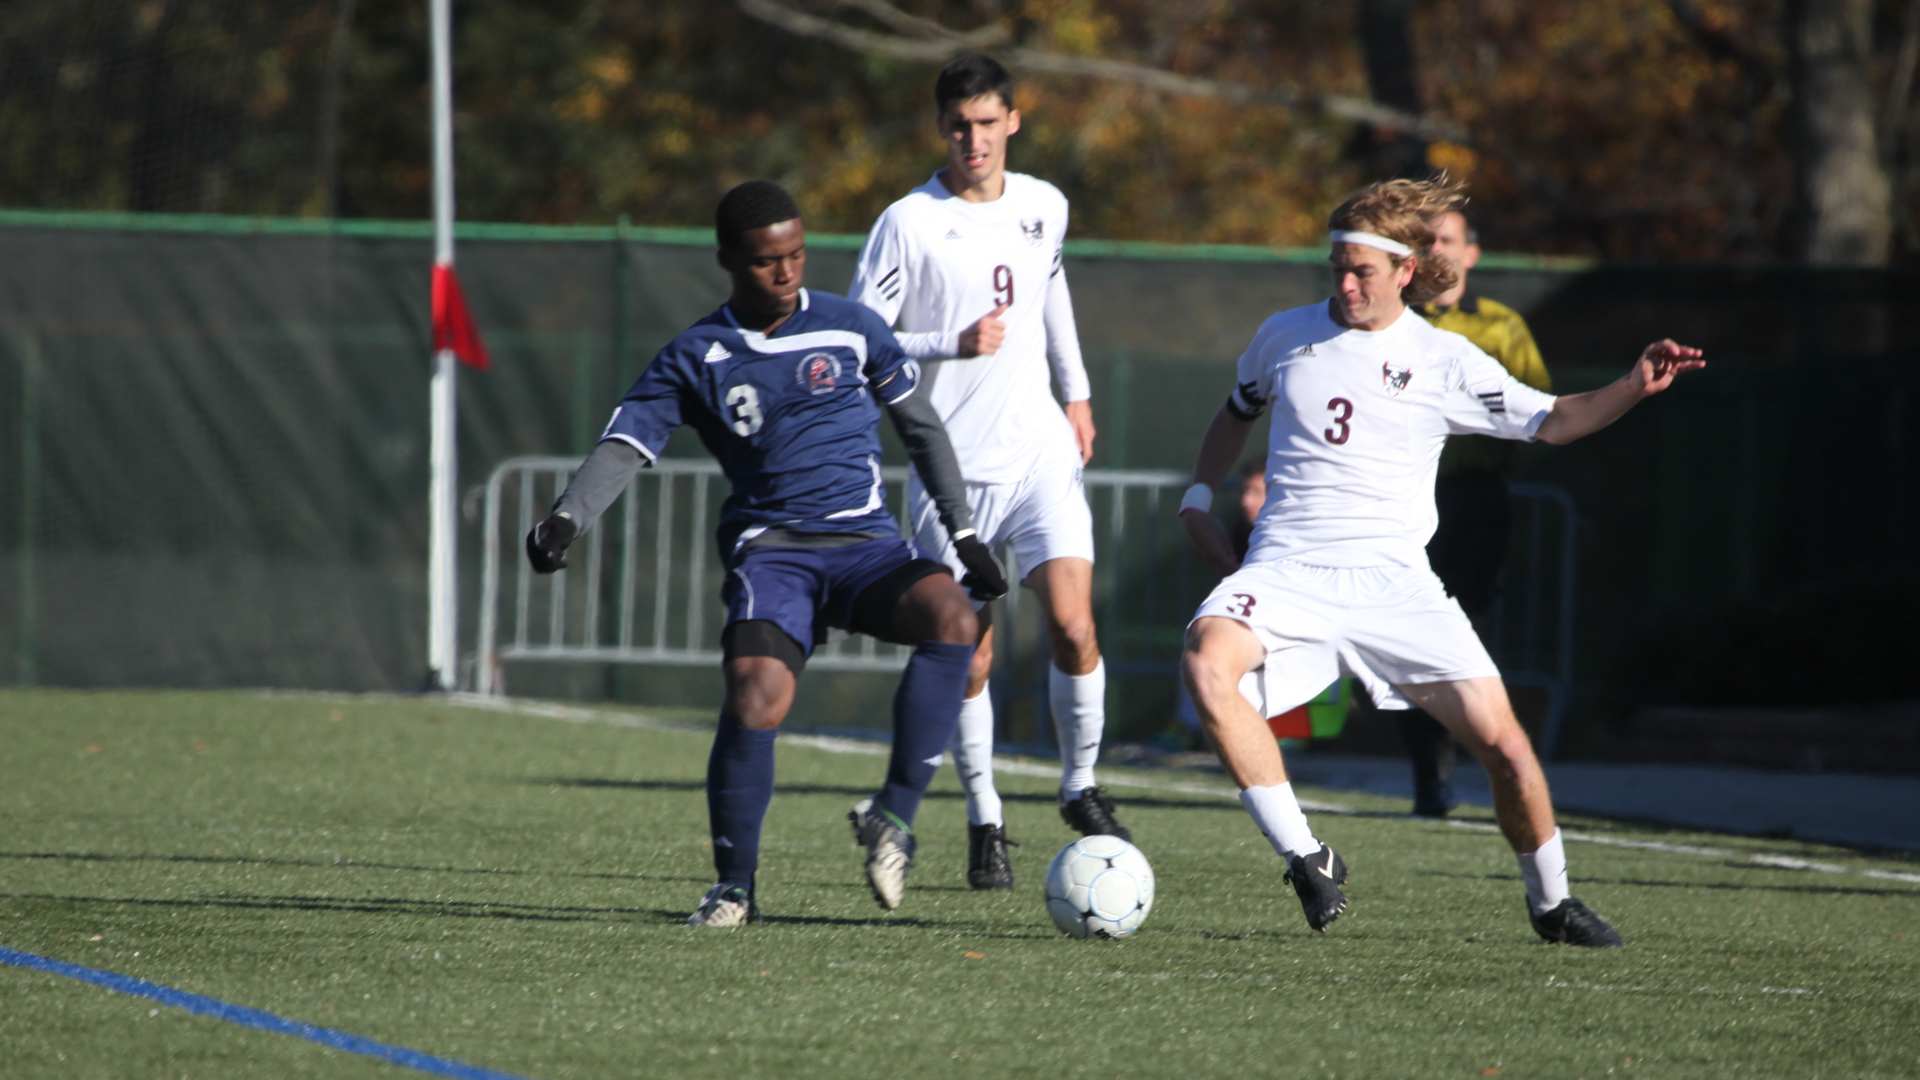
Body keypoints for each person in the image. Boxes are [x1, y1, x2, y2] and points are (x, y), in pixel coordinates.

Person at [1177, 177, 1702, 946]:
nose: (1346, 285)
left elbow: (1555, 421)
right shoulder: (1284, 335)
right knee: (1205, 664)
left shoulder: (1444, 358)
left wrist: (1633, 385)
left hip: (1396, 585)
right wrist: (1197, 499)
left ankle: (1554, 904)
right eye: (1337, 269)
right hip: (1287, 569)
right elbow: (1235, 414)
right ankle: (1306, 856)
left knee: (1506, 748)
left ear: (1406, 271)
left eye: (1362, 271)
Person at [524, 181, 1009, 926]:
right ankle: (734, 888)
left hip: (866, 546)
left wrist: (964, 533)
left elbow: (921, 426)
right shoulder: (695, 354)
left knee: (954, 619)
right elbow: (626, 444)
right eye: (765, 261)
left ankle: (892, 818)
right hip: (775, 556)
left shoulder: (853, 327)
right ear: (727, 260)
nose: (786, 273)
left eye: (796, 255)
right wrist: (566, 518)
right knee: (756, 695)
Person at [850, 54, 1127, 892]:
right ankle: (986, 819)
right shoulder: (908, 222)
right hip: (953, 472)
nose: (973, 139)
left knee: (1075, 626)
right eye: (958, 125)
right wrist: (953, 343)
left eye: (986, 122)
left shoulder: (1045, 205)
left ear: (1013, 121)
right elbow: (862, 337)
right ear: (941, 128)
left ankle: (1079, 787)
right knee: (967, 655)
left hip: (1039, 452)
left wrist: (1076, 393)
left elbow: (1052, 291)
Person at [1388, 204, 1556, 818]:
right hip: (1403, 497)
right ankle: (1427, 774)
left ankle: (1468, 759)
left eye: (1448, 239)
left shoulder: (1501, 325)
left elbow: (1539, 409)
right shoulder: (1395, 321)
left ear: (1472, 252)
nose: (1437, 249)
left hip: (1473, 497)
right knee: (1401, 634)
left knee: (1463, 633)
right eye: (1427, 240)